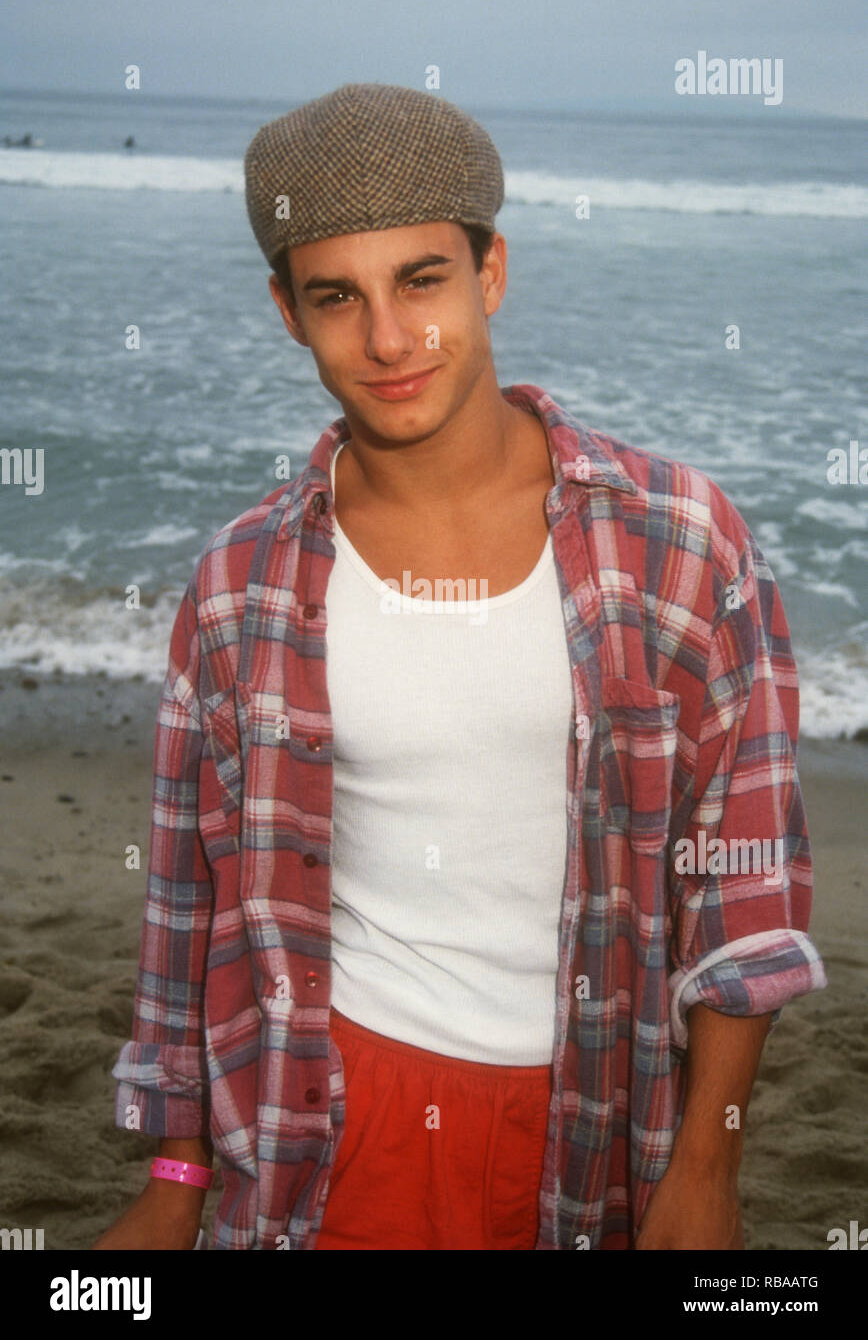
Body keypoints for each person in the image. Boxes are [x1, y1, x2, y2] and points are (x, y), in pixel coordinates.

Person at [94, 82, 826, 1252]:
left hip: (593, 1120)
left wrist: (707, 1168)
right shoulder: (241, 585)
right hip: (328, 1123)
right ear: (288, 312)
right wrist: (178, 1176)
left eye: (422, 281)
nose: (388, 340)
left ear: (490, 275)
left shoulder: (675, 539)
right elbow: (188, 910)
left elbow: (744, 881)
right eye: (338, 296)